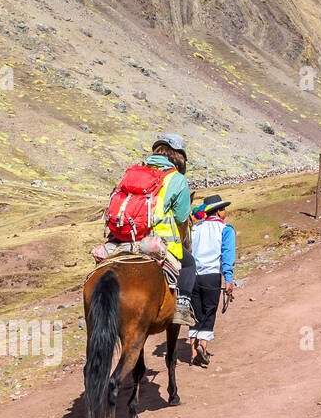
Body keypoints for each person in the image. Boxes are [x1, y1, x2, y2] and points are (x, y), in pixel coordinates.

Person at [92, 133, 196, 326]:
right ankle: (182, 307)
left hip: (122, 238)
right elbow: (182, 217)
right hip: (154, 240)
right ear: (179, 156)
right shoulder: (177, 178)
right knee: (189, 264)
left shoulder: (133, 172)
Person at [186, 194, 235, 367]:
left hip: (192, 276)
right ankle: (202, 346)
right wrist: (228, 280)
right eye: (224, 209)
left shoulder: (194, 229)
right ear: (219, 212)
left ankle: (192, 353)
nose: (225, 212)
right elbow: (227, 257)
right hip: (212, 275)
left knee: (195, 313)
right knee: (209, 312)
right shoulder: (226, 229)